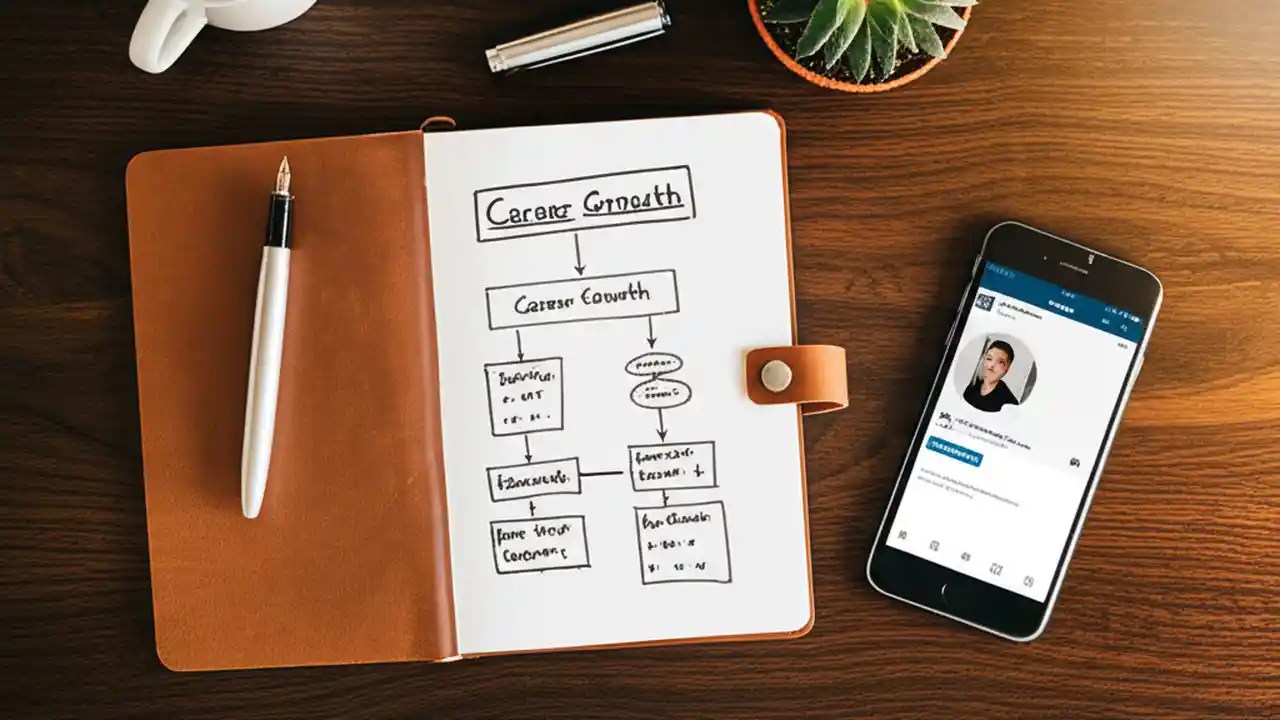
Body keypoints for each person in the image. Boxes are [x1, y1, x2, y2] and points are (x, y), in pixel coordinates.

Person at [963, 340, 1021, 412]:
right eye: (989, 359)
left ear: (1007, 368)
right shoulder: (971, 389)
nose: (992, 365)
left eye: (1000, 362)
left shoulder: (1010, 404)